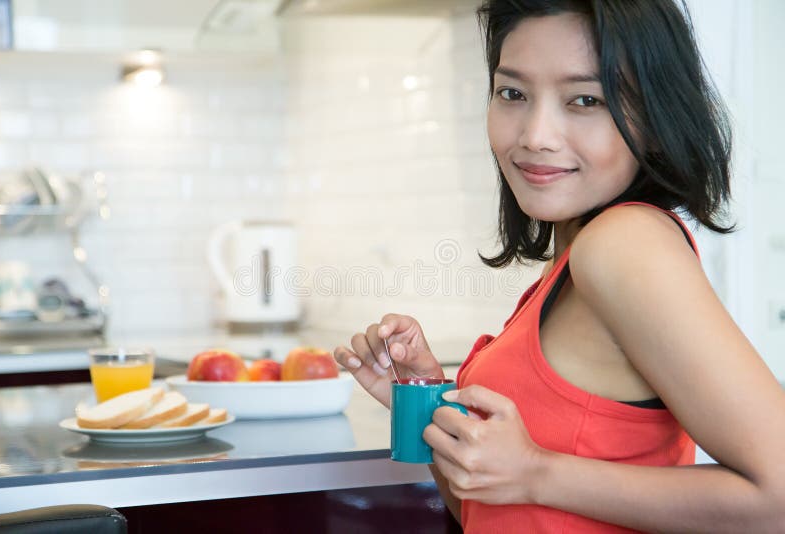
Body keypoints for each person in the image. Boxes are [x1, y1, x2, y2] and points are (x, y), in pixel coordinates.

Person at [334, 0, 785, 531]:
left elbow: (776, 496)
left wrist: (536, 472)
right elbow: (491, 505)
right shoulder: (574, 259)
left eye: (585, 99)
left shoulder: (624, 245)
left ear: (657, 115)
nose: (535, 135)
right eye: (512, 93)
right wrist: (426, 399)